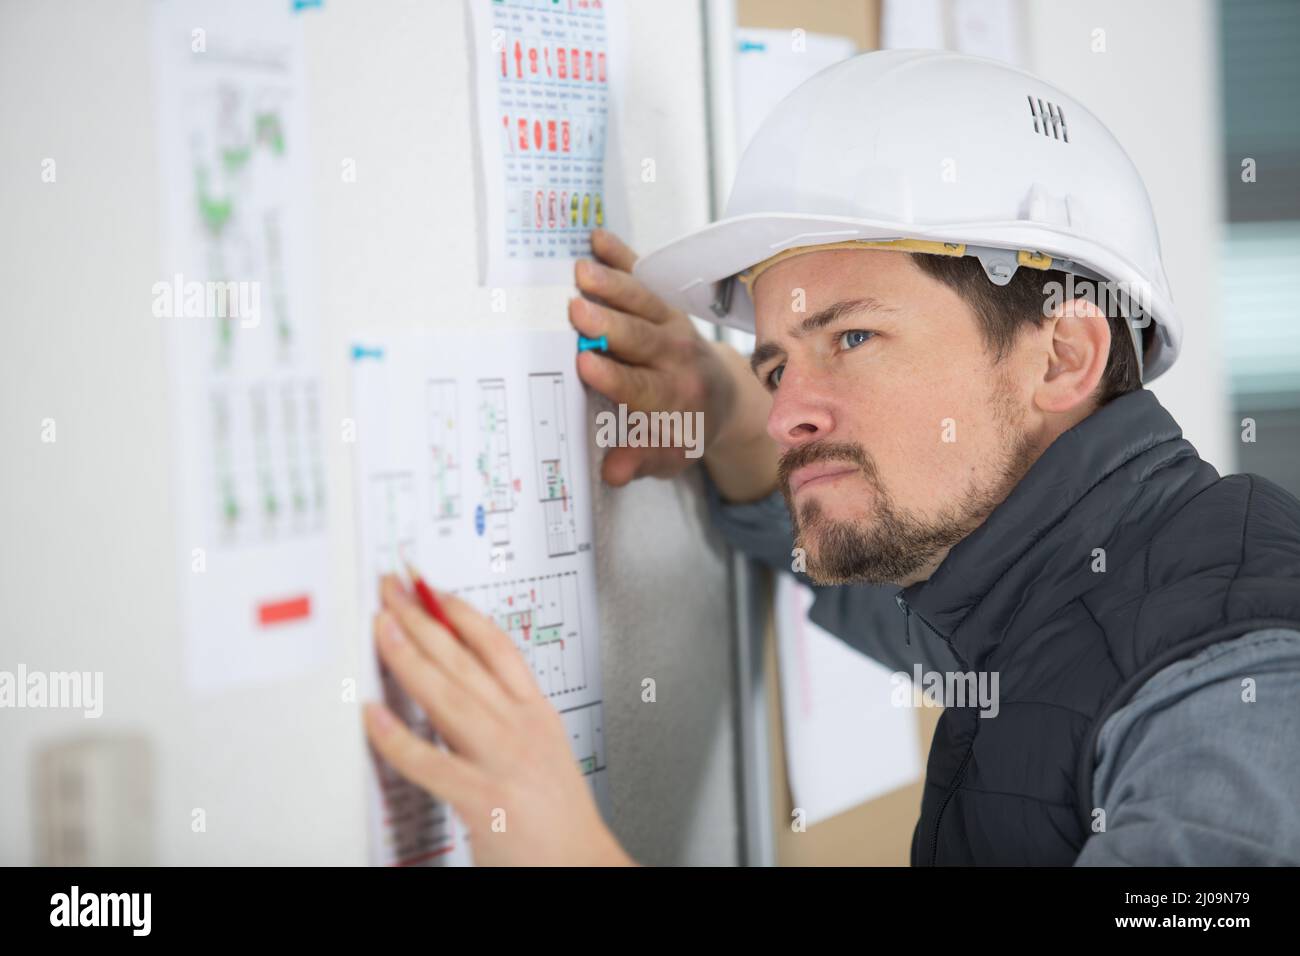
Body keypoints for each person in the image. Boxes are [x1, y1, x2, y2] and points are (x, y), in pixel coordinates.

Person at [363, 50, 1300, 865]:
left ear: (1062, 354)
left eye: (849, 338)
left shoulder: (1235, 690)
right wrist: (723, 400)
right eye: (776, 365)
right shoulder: (1061, 591)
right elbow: (916, 602)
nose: (786, 417)